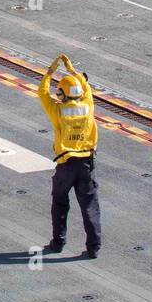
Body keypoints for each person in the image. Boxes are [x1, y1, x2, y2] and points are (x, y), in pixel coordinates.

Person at [38, 54, 101, 259]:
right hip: (86, 164)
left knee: (59, 202)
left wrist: (50, 71)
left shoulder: (57, 110)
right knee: (90, 206)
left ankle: (58, 243)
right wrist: (72, 69)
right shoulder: (88, 105)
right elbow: (86, 87)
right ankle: (94, 247)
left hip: (66, 164)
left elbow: (42, 92)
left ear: (62, 94)